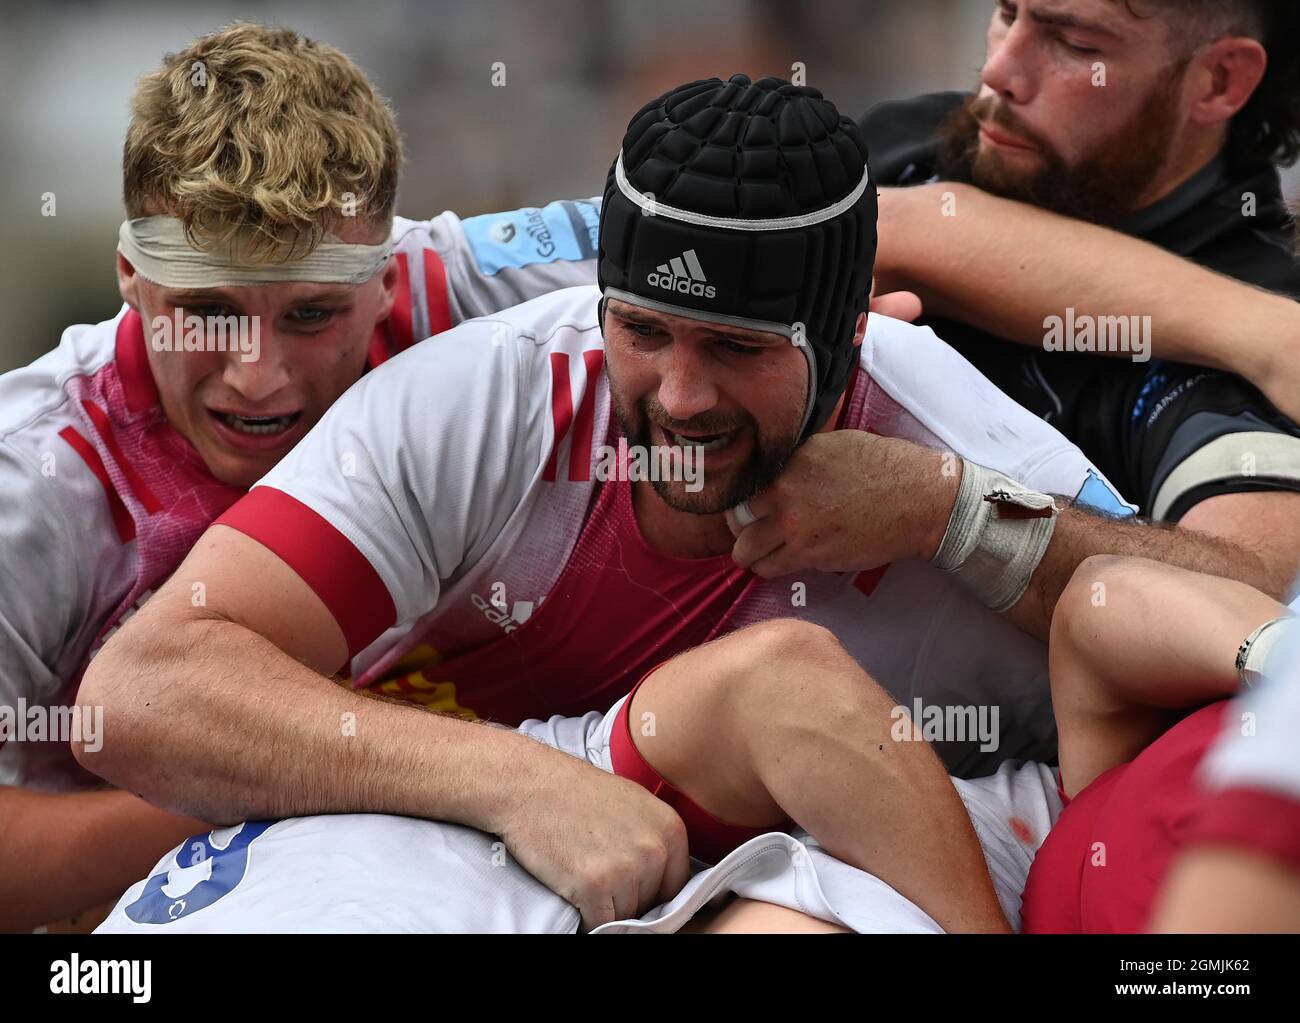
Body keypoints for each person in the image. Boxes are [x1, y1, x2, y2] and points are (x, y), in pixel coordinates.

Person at [77, 73, 1279, 931]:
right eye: (643, 333)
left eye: (738, 348)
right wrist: (518, 785)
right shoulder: (500, 392)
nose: (680, 397)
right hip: (509, 844)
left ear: (846, 339)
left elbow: (1249, 622)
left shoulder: (922, 423)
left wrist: (953, 516)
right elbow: (142, 693)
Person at [0, 22, 597, 932]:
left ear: (388, 274)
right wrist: (275, 762)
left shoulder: (457, 272)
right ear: (129, 273)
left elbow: (810, 230)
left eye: (312, 315)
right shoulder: (30, 482)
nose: (258, 374)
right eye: (206, 312)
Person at [860, 0, 1300, 576]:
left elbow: (1241, 590)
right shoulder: (905, 139)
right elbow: (884, 225)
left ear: (1219, 81)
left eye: (1076, 45)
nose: (999, 72)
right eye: (1007, 13)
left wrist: (950, 514)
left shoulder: (1256, 311)